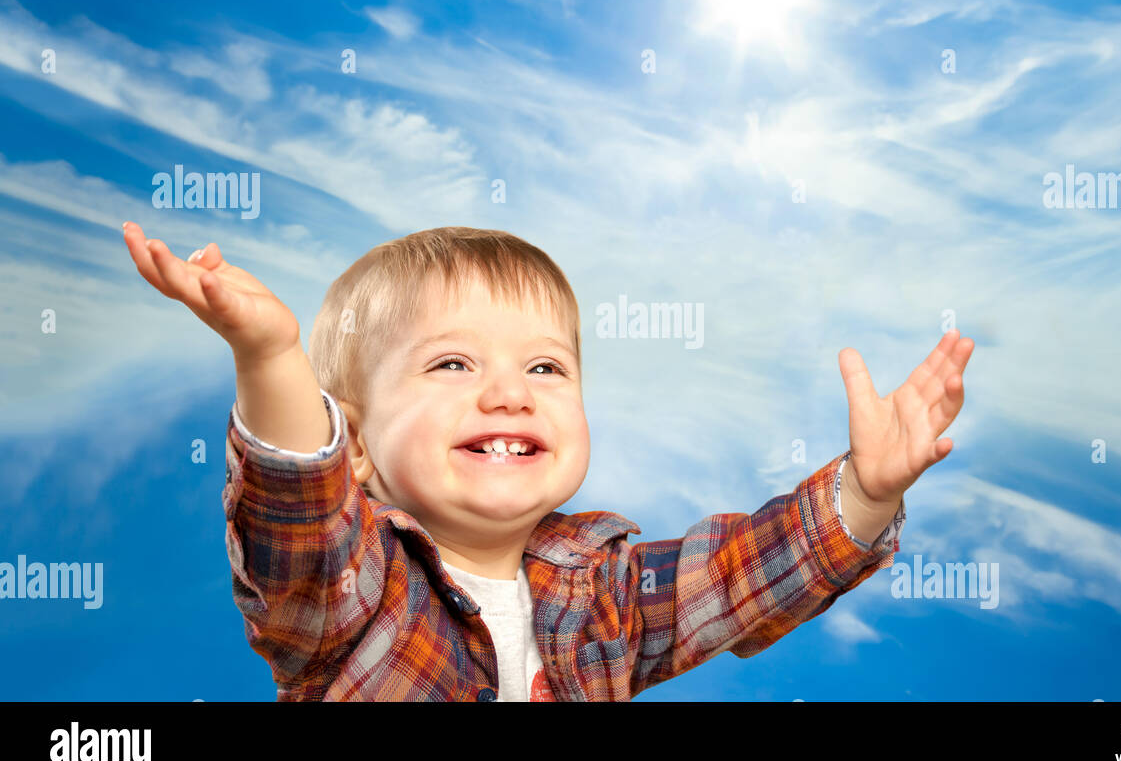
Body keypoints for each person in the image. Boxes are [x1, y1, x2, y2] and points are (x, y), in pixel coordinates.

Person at [121, 220, 973, 701]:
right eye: (453, 363)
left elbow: (738, 577)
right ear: (361, 444)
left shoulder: (602, 596)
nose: (509, 393)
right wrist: (272, 358)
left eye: (545, 368)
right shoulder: (351, 595)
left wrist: (865, 492)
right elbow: (300, 513)